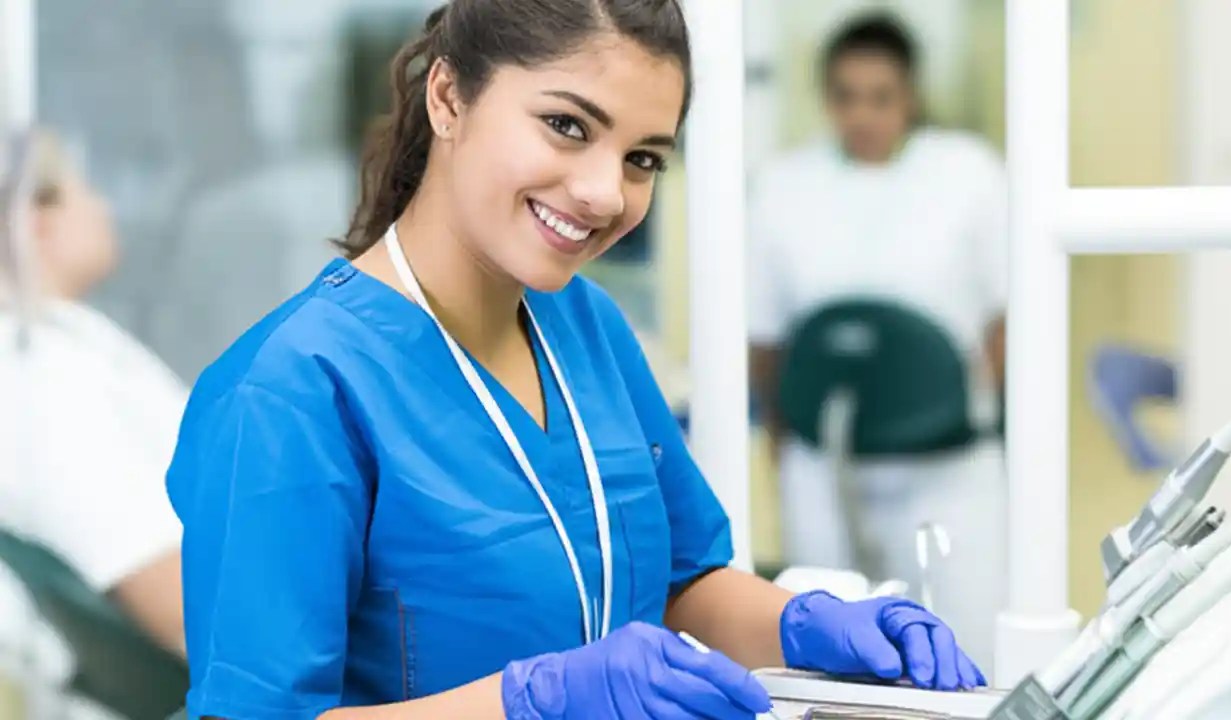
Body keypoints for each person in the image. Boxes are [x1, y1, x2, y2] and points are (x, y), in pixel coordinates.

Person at [166, 2, 985, 718]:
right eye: (567, 125)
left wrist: (812, 625)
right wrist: (529, 704)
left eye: (643, 159)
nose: (604, 193)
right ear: (449, 97)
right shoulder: (289, 392)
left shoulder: (584, 325)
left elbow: (679, 583)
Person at [746, 14, 1009, 668]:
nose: (862, 114)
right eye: (845, 96)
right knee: (833, 658)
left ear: (910, 96)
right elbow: (766, 335)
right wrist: (779, 435)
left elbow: (1010, 318)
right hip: (824, 465)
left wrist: (981, 409)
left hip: (949, 468)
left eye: (880, 96)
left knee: (964, 650)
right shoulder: (785, 185)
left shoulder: (968, 174)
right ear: (826, 99)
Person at [0, 131, 188, 666]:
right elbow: (174, 601)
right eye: (86, 190)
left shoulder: (62, 349)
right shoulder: (35, 382)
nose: (103, 207)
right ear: (40, 222)